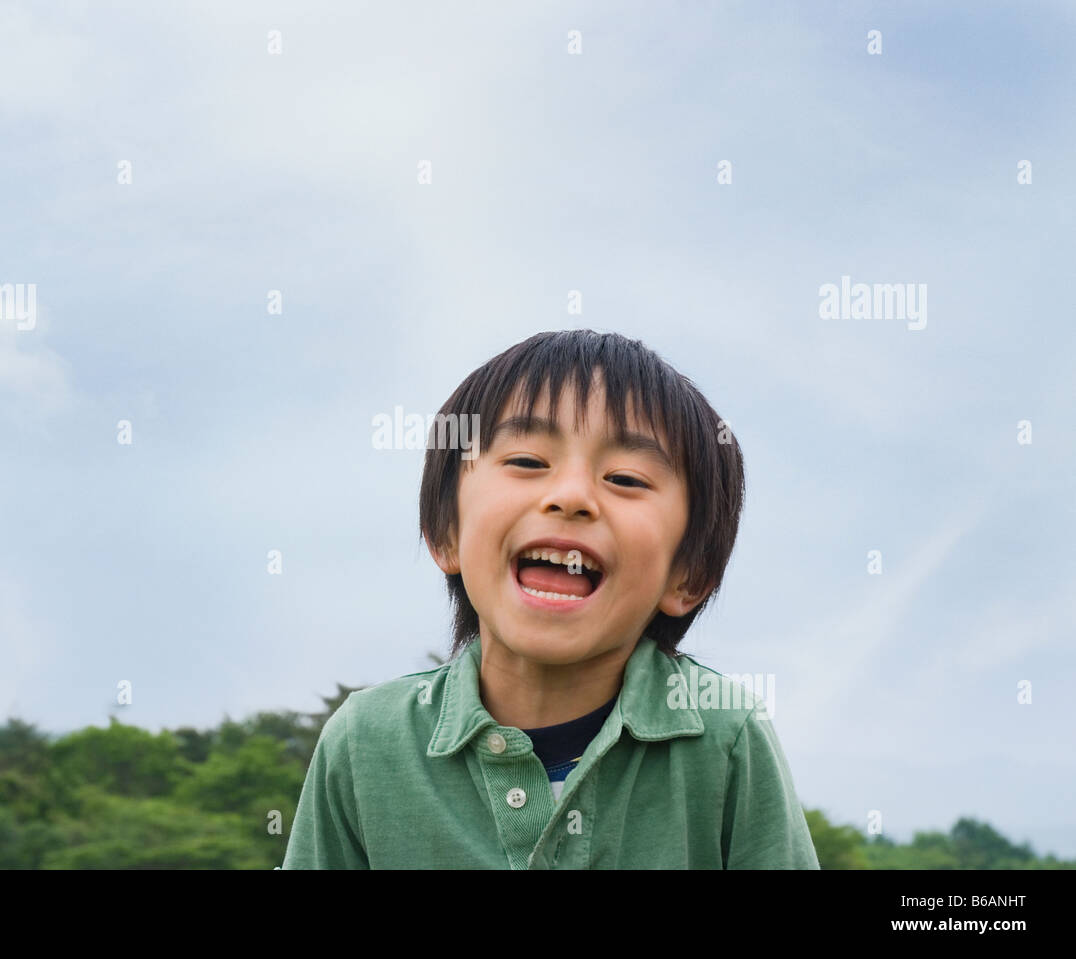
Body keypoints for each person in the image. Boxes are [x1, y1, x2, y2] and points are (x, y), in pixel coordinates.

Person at [281, 329, 819, 868]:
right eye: (527, 461)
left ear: (689, 575)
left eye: (626, 478)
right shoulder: (364, 741)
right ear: (446, 534)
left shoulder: (727, 736)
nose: (571, 496)